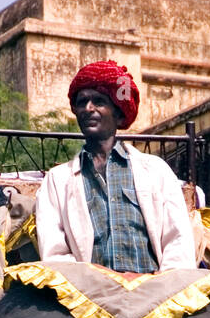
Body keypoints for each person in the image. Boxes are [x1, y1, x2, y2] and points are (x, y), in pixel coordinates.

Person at [35, 60, 196, 273]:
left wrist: (160, 284)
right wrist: (101, 280)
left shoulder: (156, 170)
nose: (88, 109)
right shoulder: (57, 180)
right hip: (88, 294)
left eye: (99, 101)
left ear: (118, 113)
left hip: (155, 291)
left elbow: (178, 241)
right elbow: (54, 253)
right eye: (82, 102)